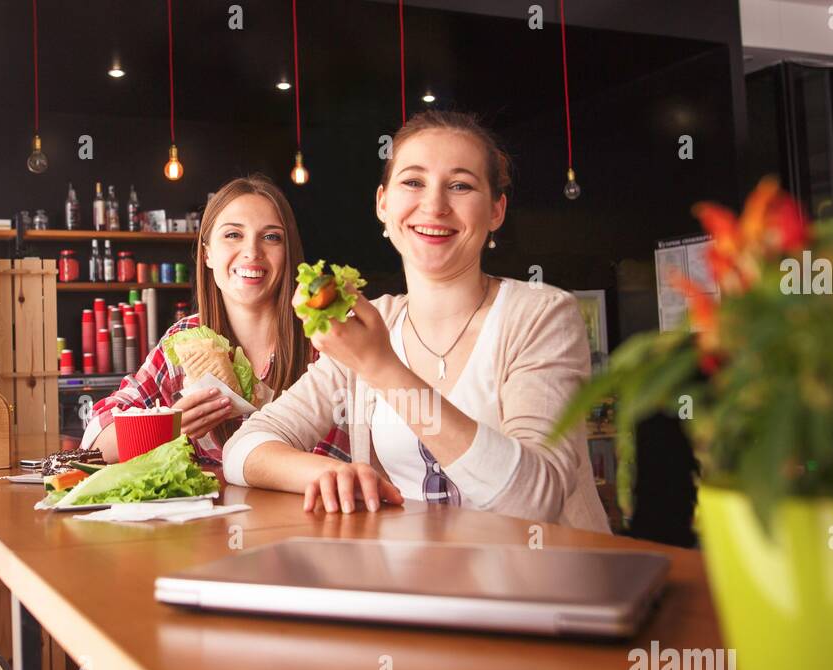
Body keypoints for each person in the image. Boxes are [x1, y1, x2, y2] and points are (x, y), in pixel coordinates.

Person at [220, 111, 610, 533]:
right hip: (417, 587)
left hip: (542, 587)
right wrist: (321, 473)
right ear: (383, 204)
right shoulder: (376, 321)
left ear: (496, 211)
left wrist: (381, 367)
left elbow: (536, 500)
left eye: (460, 185)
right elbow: (242, 450)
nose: (435, 205)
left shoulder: (541, 315)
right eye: (413, 182)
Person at [81, 175, 342, 464]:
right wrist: (169, 427)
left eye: (271, 237)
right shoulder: (186, 339)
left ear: (288, 253)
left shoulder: (324, 340)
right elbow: (97, 444)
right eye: (233, 235)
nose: (252, 252)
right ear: (207, 254)